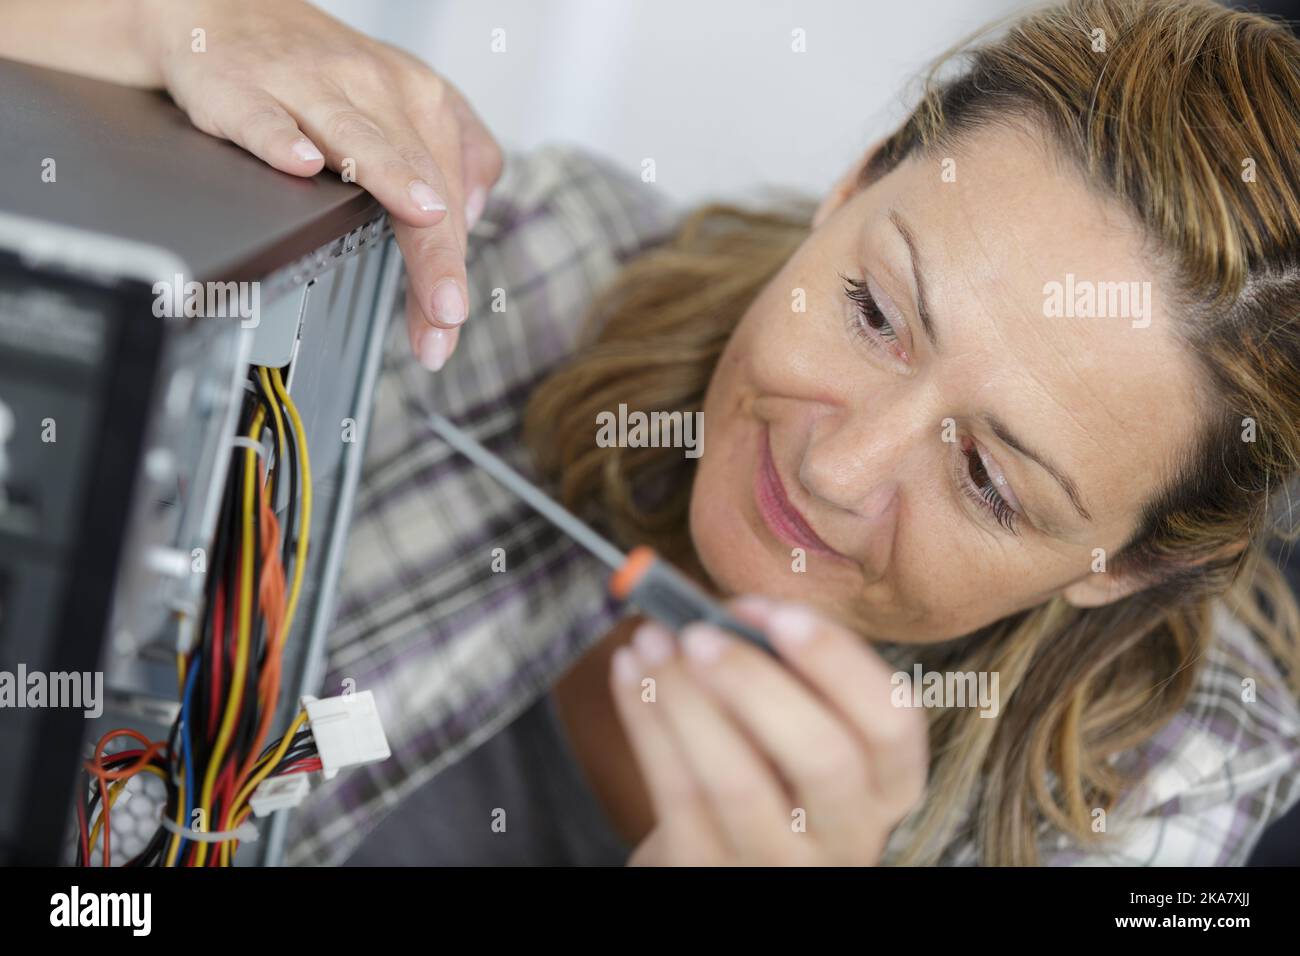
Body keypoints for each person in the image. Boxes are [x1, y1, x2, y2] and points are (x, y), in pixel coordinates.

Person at [8, 0, 1300, 866]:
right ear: (851, 186)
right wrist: (139, 20)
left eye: (987, 479)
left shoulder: (1170, 779)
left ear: (1125, 565)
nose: (833, 471)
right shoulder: (534, 261)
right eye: (871, 310)